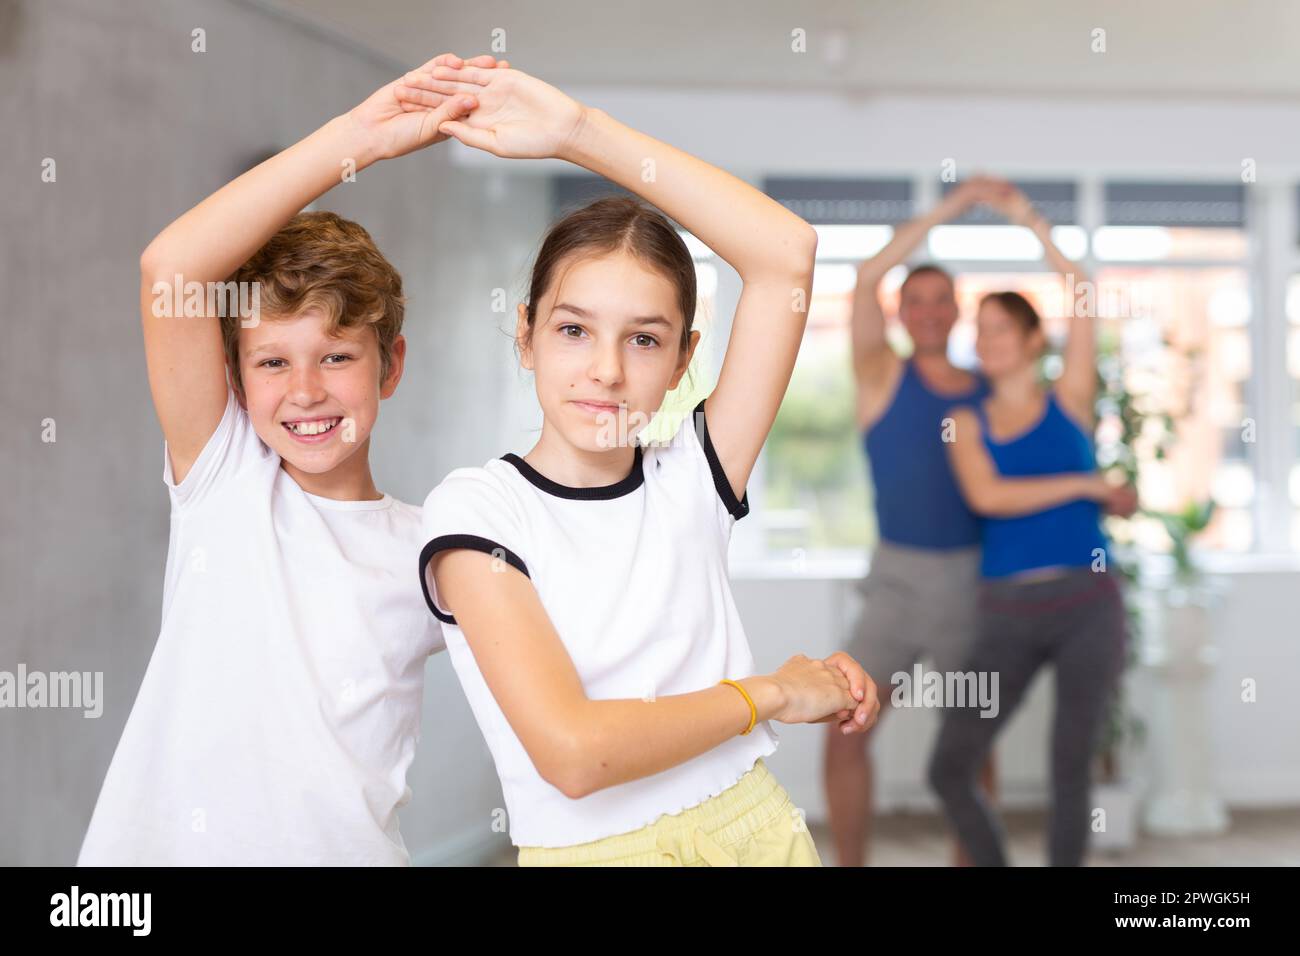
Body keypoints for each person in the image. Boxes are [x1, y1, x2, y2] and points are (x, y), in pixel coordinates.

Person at [398, 62, 880, 866]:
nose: (607, 371)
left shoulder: (692, 475)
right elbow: (575, 754)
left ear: (685, 355)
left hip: (754, 829)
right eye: (574, 330)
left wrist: (577, 133)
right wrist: (773, 692)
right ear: (526, 334)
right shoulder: (476, 512)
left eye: (645, 338)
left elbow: (786, 253)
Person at [78, 53, 511, 865]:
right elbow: (169, 269)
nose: (305, 391)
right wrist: (358, 139)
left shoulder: (431, 545)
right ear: (237, 382)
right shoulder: (225, 476)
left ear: (391, 364)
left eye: (337, 358)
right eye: (273, 362)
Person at [929, 185, 1136, 866]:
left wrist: (1028, 221)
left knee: (1070, 770)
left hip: (1088, 603)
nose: (983, 341)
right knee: (950, 765)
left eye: (997, 329)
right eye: (978, 330)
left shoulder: (1069, 397)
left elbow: (1080, 292)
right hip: (1008, 608)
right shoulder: (965, 421)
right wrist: (1085, 483)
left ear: (1029, 339)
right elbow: (988, 497)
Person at [825, 177, 1009, 867]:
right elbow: (867, 273)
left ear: (957, 310)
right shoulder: (880, 374)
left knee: (970, 745)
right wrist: (951, 208)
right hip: (896, 581)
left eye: (941, 300)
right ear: (900, 312)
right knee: (846, 730)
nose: (929, 312)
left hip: (972, 580)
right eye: (916, 301)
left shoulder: (993, 388)